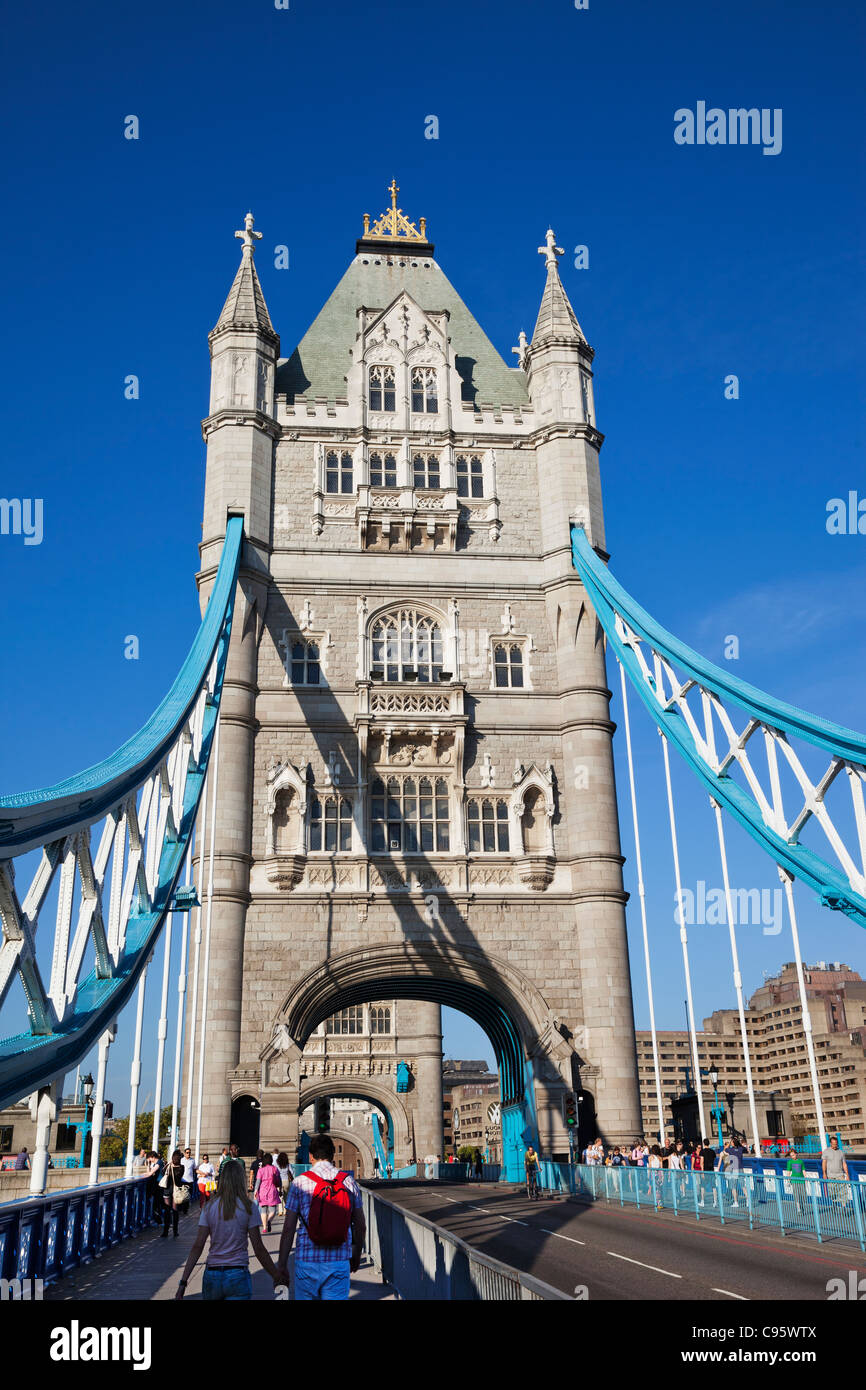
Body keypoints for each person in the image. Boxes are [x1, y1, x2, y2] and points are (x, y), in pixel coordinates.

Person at [176, 1157, 282, 1301]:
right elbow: (258, 1248)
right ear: (240, 1180)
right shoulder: (248, 1207)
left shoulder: (209, 1207)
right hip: (238, 1273)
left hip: (212, 1274)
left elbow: (198, 1245)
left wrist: (183, 1282)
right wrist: (276, 1275)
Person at [277, 1134, 365, 1301]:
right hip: (338, 1260)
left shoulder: (299, 1183)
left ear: (310, 1156)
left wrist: (282, 1264)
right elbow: (361, 1225)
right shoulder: (348, 1181)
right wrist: (356, 1254)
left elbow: (288, 1228)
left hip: (307, 1260)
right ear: (332, 1155)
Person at [160, 1148, 188, 1238]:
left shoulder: (169, 1166)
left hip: (167, 1190)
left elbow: (162, 1172)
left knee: (167, 1211)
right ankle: (175, 1231)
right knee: (175, 1211)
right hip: (176, 1191)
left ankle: (165, 1231)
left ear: (172, 1158)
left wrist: (168, 1164)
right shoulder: (181, 1167)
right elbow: (178, 1178)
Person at [254, 1152, 281, 1234]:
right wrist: (280, 1188)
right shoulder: (275, 1169)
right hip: (272, 1191)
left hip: (262, 1191)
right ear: (271, 1160)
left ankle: (265, 1227)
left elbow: (258, 1181)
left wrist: (255, 1190)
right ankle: (269, 1220)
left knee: (263, 1210)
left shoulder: (260, 1170)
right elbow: (278, 1180)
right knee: (273, 1211)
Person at [822, 1135, 850, 1203]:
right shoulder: (826, 1151)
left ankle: (844, 1210)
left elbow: (844, 1164)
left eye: (836, 1144)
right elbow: (824, 1163)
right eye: (833, 1144)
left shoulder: (841, 1152)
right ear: (830, 1143)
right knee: (832, 1194)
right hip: (831, 1176)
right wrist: (824, 1173)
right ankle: (834, 1206)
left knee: (843, 1193)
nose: (835, 1145)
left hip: (840, 1175)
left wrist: (847, 1175)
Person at [785, 1145, 806, 1217]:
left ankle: (802, 1206)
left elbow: (803, 1170)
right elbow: (788, 1172)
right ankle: (798, 1209)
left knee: (803, 1195)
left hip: (801, 1180)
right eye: (791, 1156)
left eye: (793, 1155)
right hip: (794, 1180)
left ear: (796, 1154)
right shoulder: (789, 1162)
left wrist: (806, 1178)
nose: (792, 1157)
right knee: (796, 1195)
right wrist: (788, 1180)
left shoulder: (801, 1161)